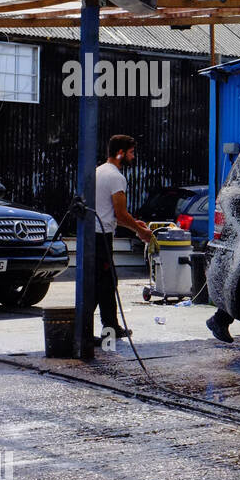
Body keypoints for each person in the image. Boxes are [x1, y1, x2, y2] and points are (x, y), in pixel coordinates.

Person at [95, 135, 154, 338]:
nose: (133, 156)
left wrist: (133, 224)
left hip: (96, 234)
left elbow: (110, 214)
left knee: (104, 283)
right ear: (120, 153)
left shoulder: (99, 171)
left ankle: (110, 327)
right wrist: (141, 231)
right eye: (130, 152)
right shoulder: (116, 177)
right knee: (103, 284)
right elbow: (120, 213)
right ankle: (92, 330)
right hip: (100, 238)